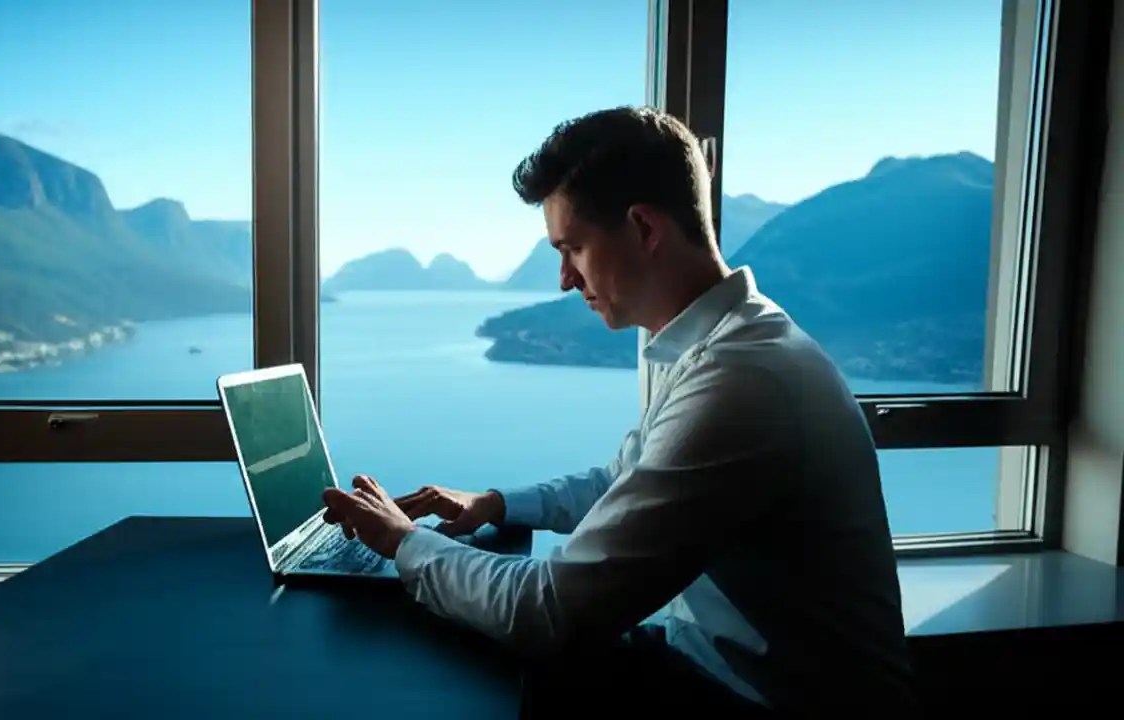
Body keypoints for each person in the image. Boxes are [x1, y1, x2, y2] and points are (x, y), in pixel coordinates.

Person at [321, 106, 918, 715]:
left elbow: (548, 610)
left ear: (644, 229)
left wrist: (403, 543)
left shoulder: (742, 380)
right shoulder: (712, 342)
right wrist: (495, 504)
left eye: (573, 247)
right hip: (714, 665)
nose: (562, 278)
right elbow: (624, 479)